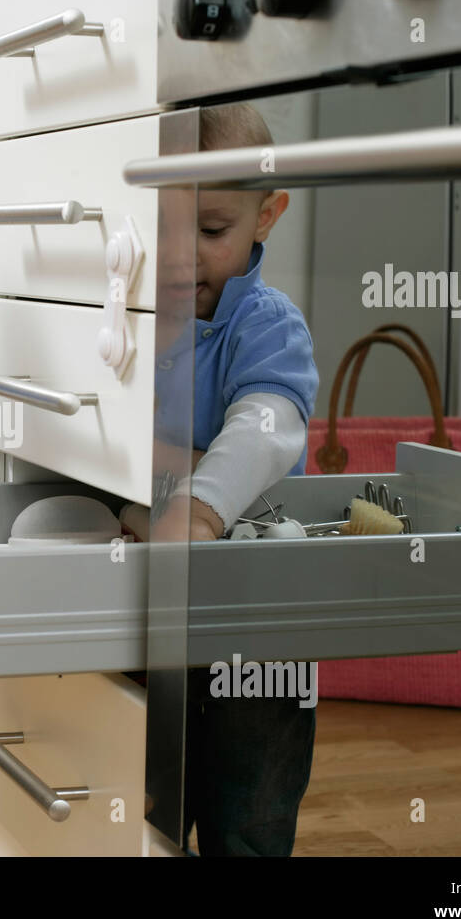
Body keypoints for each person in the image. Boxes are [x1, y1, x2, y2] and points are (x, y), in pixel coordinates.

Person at [151, 103, 320, 855]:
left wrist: (195, 505)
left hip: (263, 605)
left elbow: (265, 428)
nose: (181, 258)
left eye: (211, 230)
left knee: (251, 795)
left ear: (267, 213)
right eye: (158, 228)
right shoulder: (135, 317)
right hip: (158, 601)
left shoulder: (268, 325)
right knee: (151, 781)